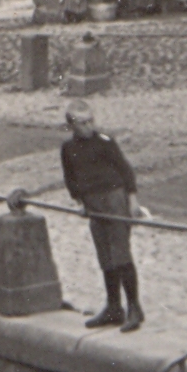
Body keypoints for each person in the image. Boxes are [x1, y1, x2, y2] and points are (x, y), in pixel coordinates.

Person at [60, 101, 144, 332]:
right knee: (105, 256)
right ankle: (114, 307)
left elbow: (126, 171)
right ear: (72, 125)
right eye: (82, 123)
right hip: (93, 204)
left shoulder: (105, 142)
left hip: (114, 200)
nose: (89, 127)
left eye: (91, 121)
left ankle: (134, 308)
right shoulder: (68, 149)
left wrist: (132, 201)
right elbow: (71, 178)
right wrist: (80, 202)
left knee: (121, 254)